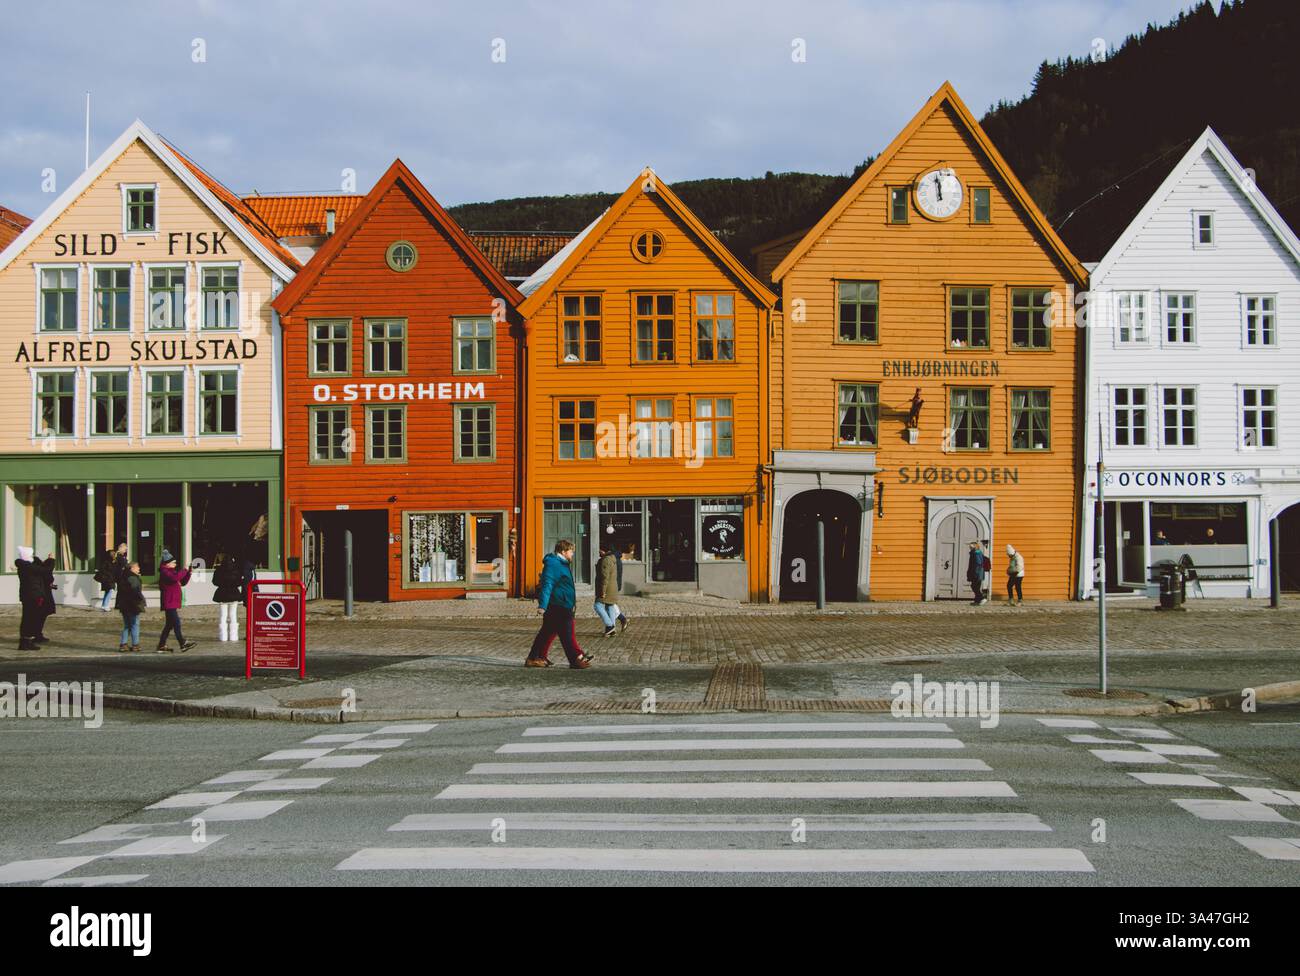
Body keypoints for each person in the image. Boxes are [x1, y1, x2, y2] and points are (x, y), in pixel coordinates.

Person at [525, 539, 591, 669]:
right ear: (563, 551)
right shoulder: (554, 564)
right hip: (557, 605)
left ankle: (536, 657)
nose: (572, 554)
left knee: (547, 633)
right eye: (571, 551)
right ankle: (575, 658)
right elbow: (547, 584)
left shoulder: (561, 563)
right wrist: (542, 605)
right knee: (567, 633)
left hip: (562, 603)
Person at [15, 546, 54, 650]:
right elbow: (45, 570)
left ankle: (27, 640)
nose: (32, 557)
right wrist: (51, 560)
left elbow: (41, 570)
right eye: (31, 555)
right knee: (28, 619)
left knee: (31, 618)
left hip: (32, 595)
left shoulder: (26, 565)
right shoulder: (26, 566)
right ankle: (25, 642)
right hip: (31, 596)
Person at [157, 549, 196, 652]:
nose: (175, 564)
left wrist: (188, 573)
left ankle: (161, 645)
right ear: (167, 564)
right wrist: (184, 570)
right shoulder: (165, 572)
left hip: (172, 602)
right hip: (169, 602)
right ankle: (182, 643)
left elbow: (182, 582)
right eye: (173, 562)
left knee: (169, 625)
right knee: (176, 623)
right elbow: (175, 578)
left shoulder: (171, 572)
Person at [212, 550, 244, 642]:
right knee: (233, 615)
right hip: (234, 594)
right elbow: (239, 582)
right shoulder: (236, 570)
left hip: (222, 594)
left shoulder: (218, 570)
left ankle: (223, 637)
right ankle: (234, 637)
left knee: (223, 615)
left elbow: (215, 582)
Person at [115, 560, 146, 653]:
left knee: (127, 625)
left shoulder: (123, 576)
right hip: (132, 604)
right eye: (137, 567)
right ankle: (135, 644)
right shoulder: (133, 578)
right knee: (134, 624)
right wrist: (141, 600)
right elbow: (136, 591)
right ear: (132, 568)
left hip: (123, 604)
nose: (139, 568)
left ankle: (123, 644)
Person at [594, 544, 621, 637]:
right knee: (610, 606)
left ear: (603, 551)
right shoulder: (613, 558)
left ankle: (609, 626)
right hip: (613, 587)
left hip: (607, 588)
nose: (599, 552)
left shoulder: (606, 560)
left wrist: (603, 590)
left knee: (597, 605)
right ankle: (612, 629)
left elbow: (605, 577)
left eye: (600, 550)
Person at [95, 542, 128, 612]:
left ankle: (104, 605)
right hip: (109, 578)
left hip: (108, 577)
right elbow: (124, 563)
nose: (125, 551)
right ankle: (106, 605)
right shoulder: (115, 558)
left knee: (108, 591)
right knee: (110, 590)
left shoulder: (110, 559)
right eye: (125, 549)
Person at [966, 540, 986, 605]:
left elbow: (978, 563)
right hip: (978, 573)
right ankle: (977, 601)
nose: (970, 547)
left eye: (971, 546)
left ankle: (982, 598)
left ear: (974, 547)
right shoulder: (977, 553)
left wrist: (975, 573)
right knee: (976, 586)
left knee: (974, 586)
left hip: (977, 573)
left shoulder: (976, 553)